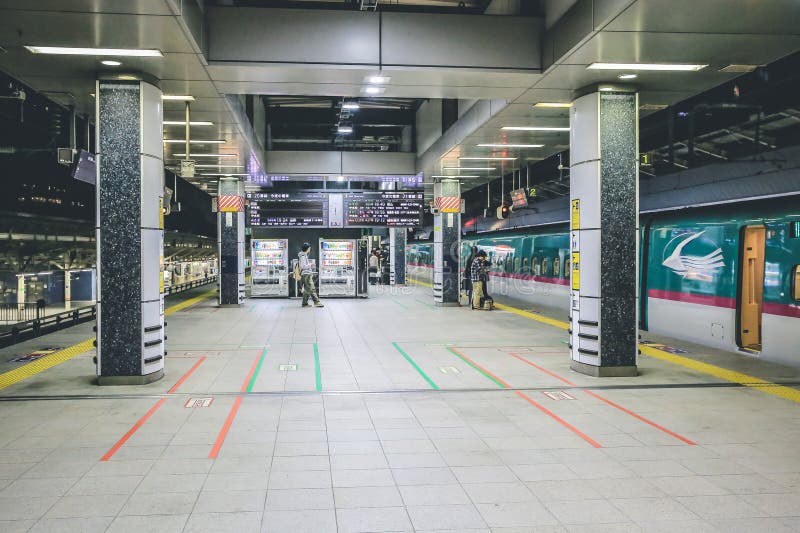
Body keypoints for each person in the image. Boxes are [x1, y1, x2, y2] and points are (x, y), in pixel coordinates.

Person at [298, 243, 324, 307]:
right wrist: (310, 265)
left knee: (308, 289)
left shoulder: (303, 255)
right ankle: (316, 302)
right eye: (309, 248)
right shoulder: (303, 256)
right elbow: (303, 266)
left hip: (306, 274)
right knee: (311, 288)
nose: (310, 249)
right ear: (307, 248)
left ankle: (305, 303)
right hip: (306, 274)